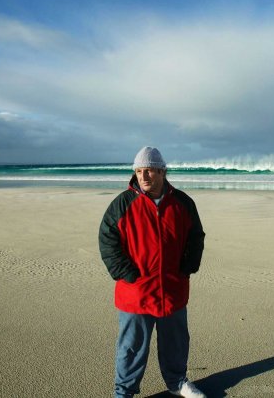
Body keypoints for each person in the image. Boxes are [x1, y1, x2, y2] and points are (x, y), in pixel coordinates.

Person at [99, 146, 206, 398]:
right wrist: (126, 273)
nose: (143, 176)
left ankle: (177, 382)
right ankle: (123, 392)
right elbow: (107, 240)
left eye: (149, 170)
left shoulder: (182, 202)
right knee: (132, 347)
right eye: (138, 171)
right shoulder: (122, 204)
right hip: (136, 292)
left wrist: (187, 268)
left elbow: (195, 237)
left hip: (173, 288)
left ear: (162, 171)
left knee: (176, 343)